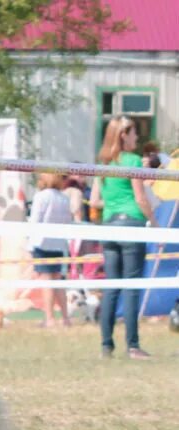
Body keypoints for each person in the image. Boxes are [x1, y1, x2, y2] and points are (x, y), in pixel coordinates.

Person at [90, 116, 157, 360]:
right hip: (132, 224)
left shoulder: (103, 164)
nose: (136, 138)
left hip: (110, 225)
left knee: (111, 288)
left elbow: (95, 200)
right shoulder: (133, 161)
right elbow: (141, 199)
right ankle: (133, 346)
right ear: (123, 136)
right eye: (133, 134)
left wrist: (115, 203)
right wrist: (157, 225)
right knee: (131, 287)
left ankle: (106, 345)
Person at [27, 173, 72, 328]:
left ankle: (50, 318)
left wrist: (29, 244)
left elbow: (35, 220)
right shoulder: (64, 198)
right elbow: (68, 220)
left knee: (47, 281)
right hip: (59, 243)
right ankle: (65, 318)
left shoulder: (41, 197)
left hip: (42, 242)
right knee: (57, 281)